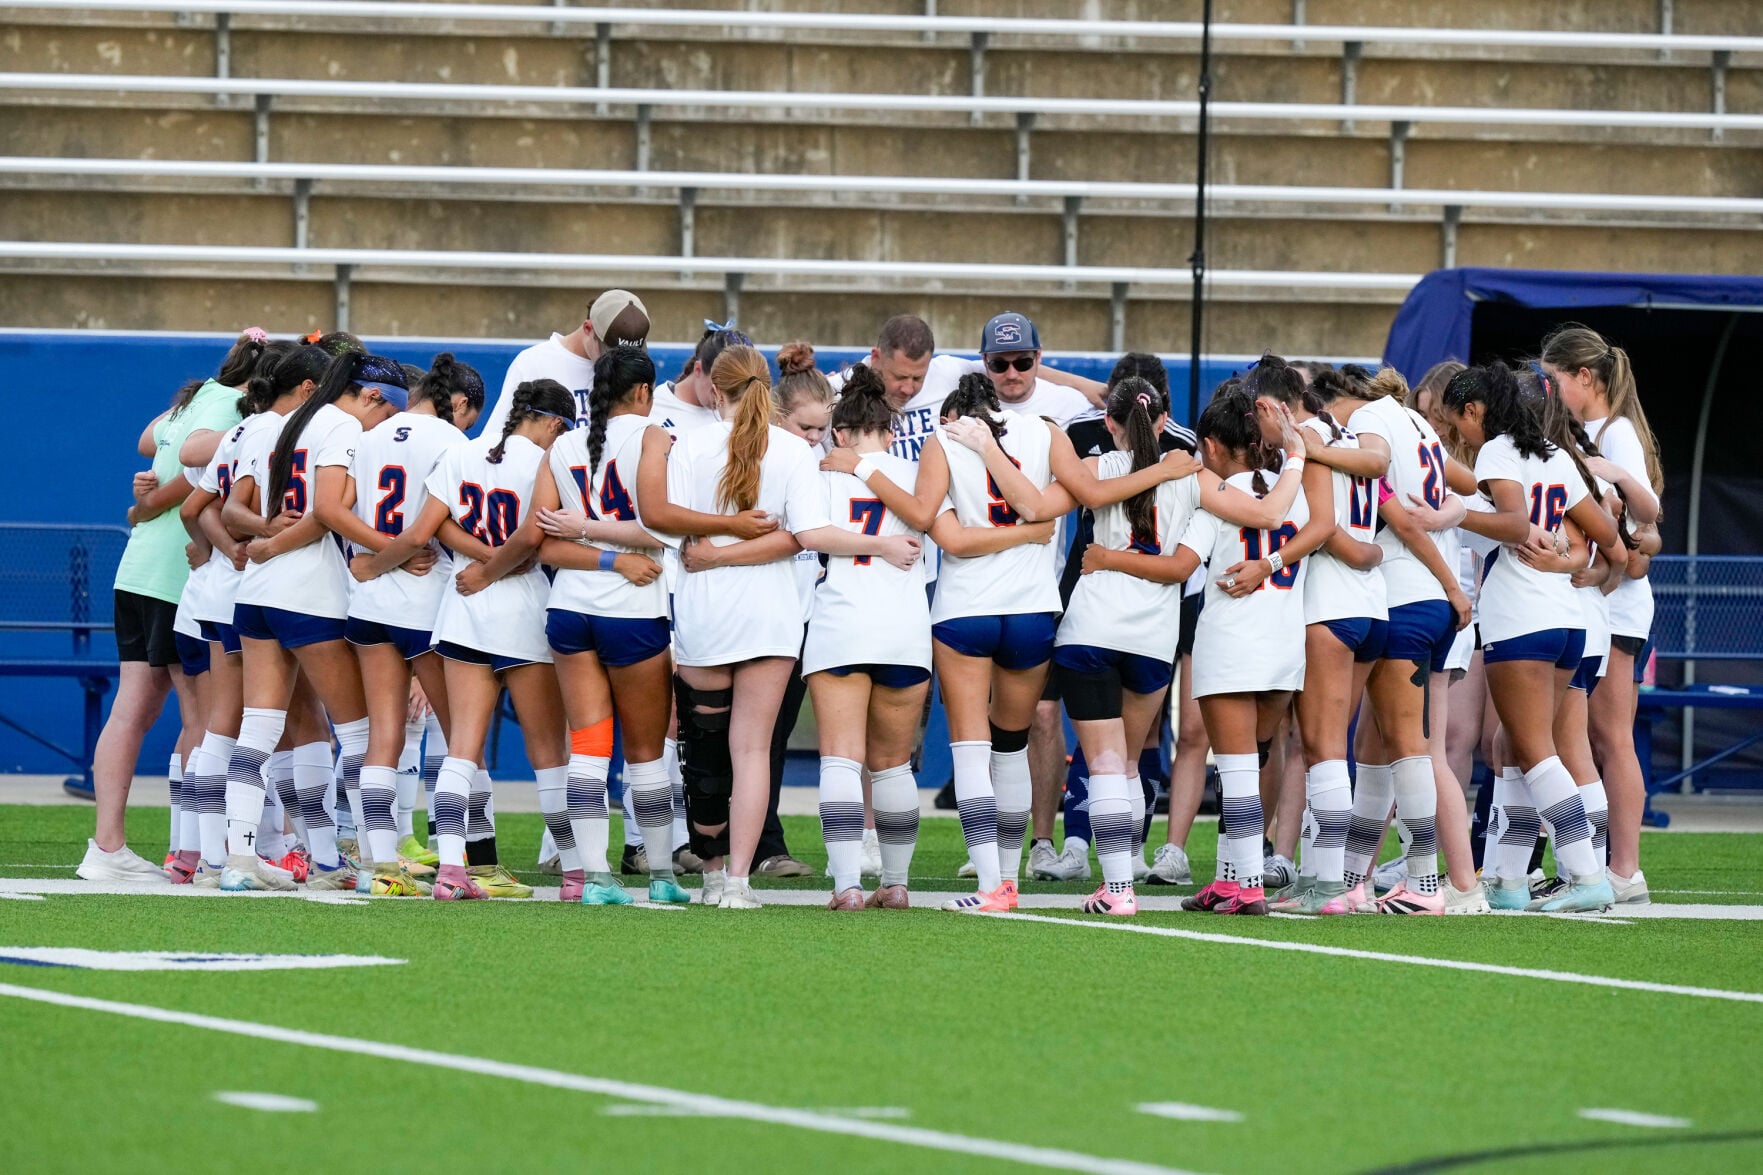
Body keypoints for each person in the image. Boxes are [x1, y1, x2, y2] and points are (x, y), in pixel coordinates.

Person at [645, 345, 907, 909]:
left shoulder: (688, 445)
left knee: (704, 756)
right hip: (772, 617)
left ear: (716, 391)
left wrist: (718, 552)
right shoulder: (793, 451)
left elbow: (673, 530)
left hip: (704, 616)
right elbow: (805, 535)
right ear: (766, 389)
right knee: (752, 751)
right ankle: (739, 880)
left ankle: (713, 875)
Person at [1438, 363, 1624, 913]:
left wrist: (1454, 514)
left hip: (1521, 620)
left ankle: (1586, 872)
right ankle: (1509, 879)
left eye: (1457, 424)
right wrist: (1574, 564)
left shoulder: (1497, 450)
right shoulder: (1554, 453)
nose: (1458, 437)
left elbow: (1516, 520)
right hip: (1567, 621)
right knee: (1510, 748)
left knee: (1538, 751)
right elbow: (1608, 534)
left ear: (1476, 411)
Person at [384, 378, 579, 900]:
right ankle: (576, 873)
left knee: (460, 749)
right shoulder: (544, 464)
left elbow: (431, 527)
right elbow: (536, 540)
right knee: (548, 753)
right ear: (555, 424)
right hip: (521, 609)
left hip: (464, 607)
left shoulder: (463, 453)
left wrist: (481, 566)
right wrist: (496, 568)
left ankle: (451, 869)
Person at [216, 351, 402, 893]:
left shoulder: (269, 424)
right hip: (310, 596)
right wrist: (392, 547)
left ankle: (240, 862)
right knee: (362, 734)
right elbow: (325, 512)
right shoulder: (341, 425)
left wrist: (264, 540)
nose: (384, 427)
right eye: (387, 414)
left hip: (255, 597)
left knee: (258, 731)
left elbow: (233, 509)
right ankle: (371, 863)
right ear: (370, 397)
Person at [77, 331, 255, 883]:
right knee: (202, 714)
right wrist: (154, 498)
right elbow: (205, 460)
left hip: (136, 571)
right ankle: (202, 854)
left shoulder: (197, 393)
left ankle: (108, 845)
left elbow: (148, 440)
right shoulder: (234, 406)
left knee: (133, 710)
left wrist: (146, 498)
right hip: (178, 575)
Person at [1305, 366, 1484, 914]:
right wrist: (1450, 534)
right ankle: (1355, 880)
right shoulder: (1418, 423)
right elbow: (1467, 484)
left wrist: (1311, 450)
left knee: (1409, 745)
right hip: (1421, 597)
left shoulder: (1370, 421)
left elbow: (1394, 503)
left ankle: (1425, 884)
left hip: (1404, 594)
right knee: (1377, 750)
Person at [531, 346, 692, 906]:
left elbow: (546, 541)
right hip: (631, 610)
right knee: (646, 754)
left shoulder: (564, 445)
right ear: (644, 391)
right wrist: (616, 553)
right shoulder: (652, 437)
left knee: (590, 747)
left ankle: (594, 875)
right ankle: (661, 875)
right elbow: (656, 522)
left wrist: (593, 542)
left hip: (570, 609)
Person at [1049, 377, 1205, 915]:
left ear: (1109, 424)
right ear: (1163, 422)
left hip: (1091, 629)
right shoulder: (1192, 476)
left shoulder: (1099, 468)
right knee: (1132, 763)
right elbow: (1262, 513)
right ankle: (1130, 865)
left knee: (1106, 763)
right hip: (1153, 639)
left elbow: (1080, 493)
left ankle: (1117, 890)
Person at [178, 343, 326, 885]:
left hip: (219, 591)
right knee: (279, 724)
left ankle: (204, 854)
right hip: (259, 589)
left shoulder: (244, 429)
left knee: (224, 724)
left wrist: (222, 548)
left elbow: (197, 509)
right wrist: (254, 540)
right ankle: (306, 851)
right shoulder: (282, 432)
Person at [340, 354, 480, 894]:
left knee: (384, 737)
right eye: (468, 415)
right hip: (426, 605)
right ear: (459, 403)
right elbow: (442, 526)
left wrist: (370, 561)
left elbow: (343, 508)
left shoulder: (370, 434)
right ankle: (461, 863)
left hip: (369, 603)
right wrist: (390, 557)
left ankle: (380, 868)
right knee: (462, 738)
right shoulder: (451, 442)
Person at [1176, 384, 1311, 917]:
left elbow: (1183, 565)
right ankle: (1230, 879)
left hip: (1231, 643)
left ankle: (1248, 885)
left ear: (1211, 445)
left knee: (1234, 770)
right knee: (1253, 762)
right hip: (1284, 642)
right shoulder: (1294, 492)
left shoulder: (1215, 500)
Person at [802, 364, 932, 909]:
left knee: (840, 759)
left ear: (840, 432)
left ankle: (847, 886)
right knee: (893, 763)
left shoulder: (823, 475)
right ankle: (896, 884)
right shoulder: (915, 475)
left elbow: (808, 535)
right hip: (904, 629)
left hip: (841, 624)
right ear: (891, 430)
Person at [1541, 324, 1662, 905]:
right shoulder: (1585, 430)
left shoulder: (1615, 435)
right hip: (1595, 601)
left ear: (1583, 377)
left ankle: (1625, 869)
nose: (1547, 389)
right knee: (1586, 733)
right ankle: (1586, 861)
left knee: (1611, 736)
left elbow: (1647, 520)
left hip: (1618, 608)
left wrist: (1619, 481)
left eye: (1554, 379)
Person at [755, 341, 837, 878]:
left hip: (801, 612)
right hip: (754, 609)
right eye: (805, 429)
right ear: (778, 416)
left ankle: (766, 842)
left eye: (820, 431)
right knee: (741, 735)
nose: (813, 441)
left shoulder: (819, 463)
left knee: (774, 732)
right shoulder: (758, 458)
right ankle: (716, 839)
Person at [481, 288, 650, 432]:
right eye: (610, 352)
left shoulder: (636, 370)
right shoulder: (534, 363)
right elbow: (495, 441)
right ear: (588, 328)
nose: (620, 363)